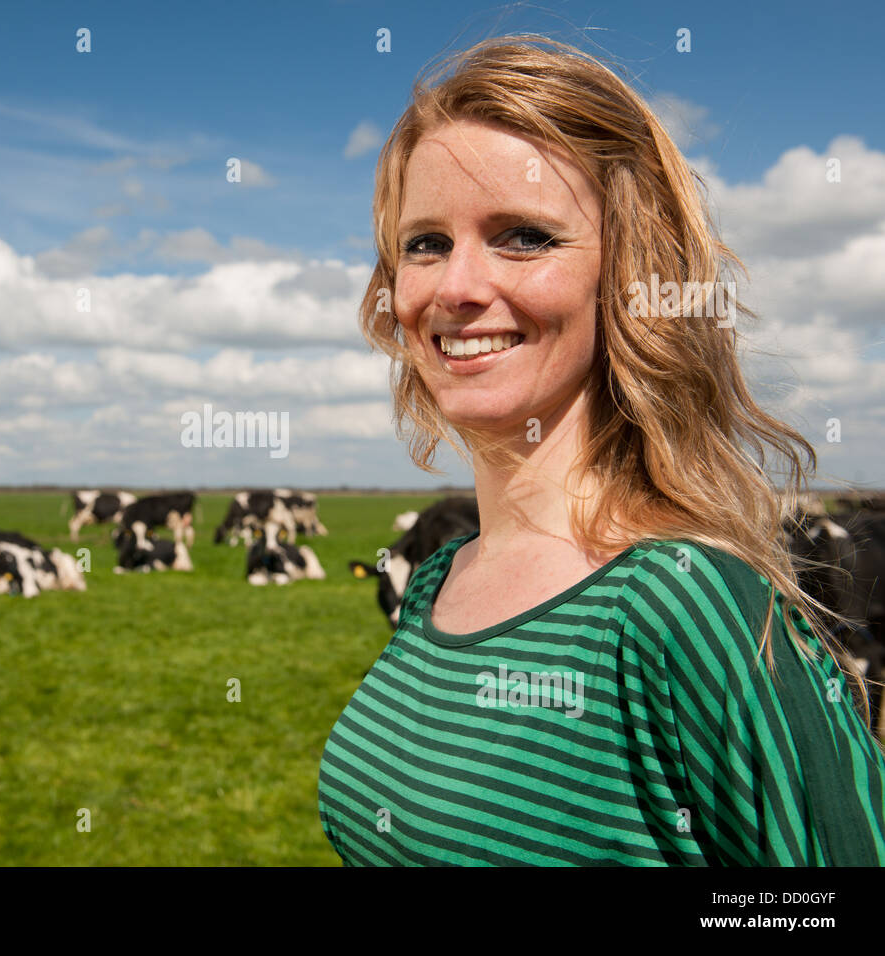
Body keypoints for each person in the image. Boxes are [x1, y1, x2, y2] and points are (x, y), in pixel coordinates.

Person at [317, 34, 885, 865]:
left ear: (626, 277)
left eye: (523, 236)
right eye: (425, 243)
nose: (456, 287)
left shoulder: (680, 603)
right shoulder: (438, 581)